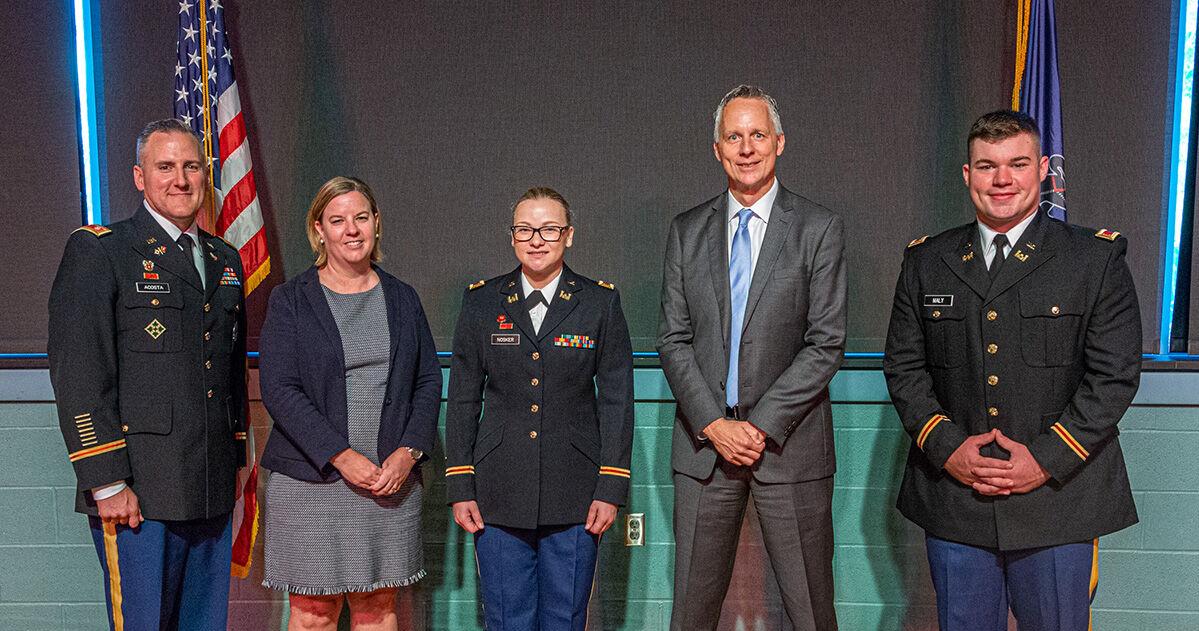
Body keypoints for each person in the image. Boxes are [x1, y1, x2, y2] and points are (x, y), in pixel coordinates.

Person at [883, 110, 1141, 631]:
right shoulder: (926, 261)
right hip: (957, 496)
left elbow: (1113, 377)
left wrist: (1045, 459)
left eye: (1017, 164)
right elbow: (905, 369)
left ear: (1043, 169)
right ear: (967, 174)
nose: (1002, 180)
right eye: (987, 166)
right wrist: (948, 448)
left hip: (1058, 499)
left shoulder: (1093, 259)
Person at [656, 85, 847, 631]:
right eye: (734, 136)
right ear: (717, 149)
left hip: (791, 447)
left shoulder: (818, 228)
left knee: (811, 611)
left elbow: (826, 342)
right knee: (691, 611)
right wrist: (715, 425)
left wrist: (757, 426)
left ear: (779, 143)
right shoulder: (686, 231)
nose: (747, 147)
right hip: (703, 451)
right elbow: (673, 339)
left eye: (757, 134)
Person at [47, 118, 248, 630]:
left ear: (205, 175)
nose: (180, 180)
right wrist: (106, 479)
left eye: (191, 167)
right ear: (140, 177)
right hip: (139, 491)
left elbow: (228, 366)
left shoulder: (225, 260)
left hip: (209, 484)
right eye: (165, 167)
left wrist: (236, 460)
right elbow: (79, 372)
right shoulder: (101, 250)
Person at [445, 187, 634, 631]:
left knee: (564, 619)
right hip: (497, 489)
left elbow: (617, 399)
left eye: (549, 229)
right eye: (525, 229)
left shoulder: (599, 302)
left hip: (576, 492)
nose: (536, 239)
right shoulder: (482, 301)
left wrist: (611, 485)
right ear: (512, 237)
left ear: (569, 235)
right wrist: (460, 484)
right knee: (507, 618)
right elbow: (464, 398)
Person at [258, 176, 441, 631]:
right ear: (319, 229)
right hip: (310, 481)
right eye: (337, 220)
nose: (351, 230)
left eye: (361, 218)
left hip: (388, 482)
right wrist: (341, 457)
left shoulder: (402, 298)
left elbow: (427, 380)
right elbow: (279, 389)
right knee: (313, 615)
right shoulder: (291, 300)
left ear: (376, 224)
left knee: (378, 612)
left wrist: (408, 453)